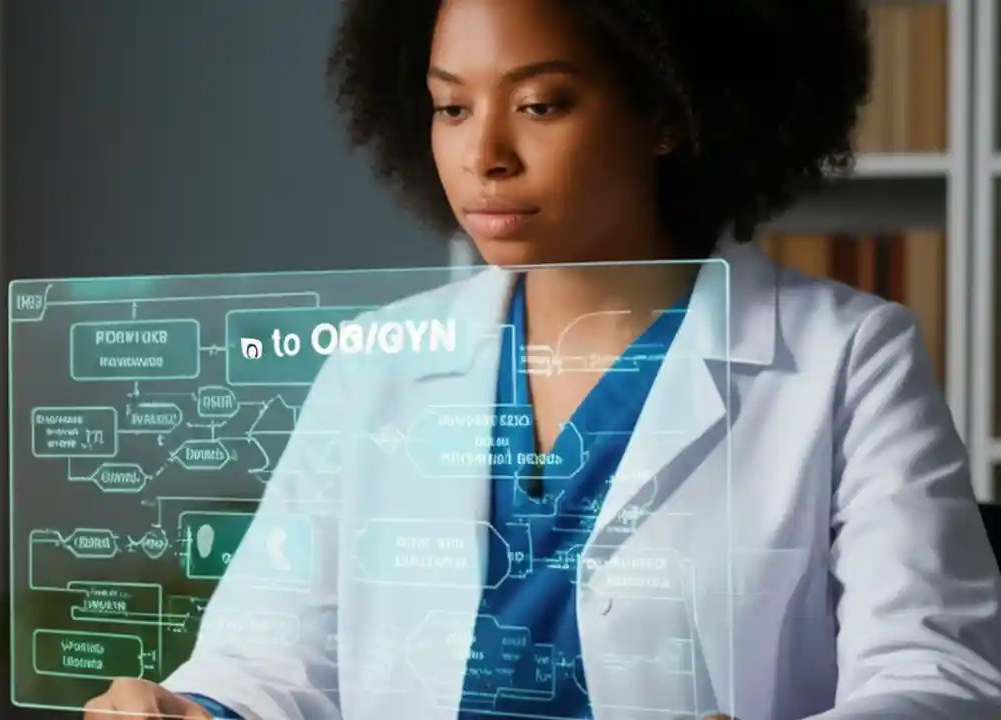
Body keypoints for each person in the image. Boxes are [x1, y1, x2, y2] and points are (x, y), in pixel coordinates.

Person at [84, 0, 1001, 717]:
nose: (483, 155)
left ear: (668, 111)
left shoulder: (848, 361)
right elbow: (266, 657)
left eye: (539, 105)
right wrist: (186, 708)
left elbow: (937, 677)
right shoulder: (378, 360)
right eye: (450, 106)